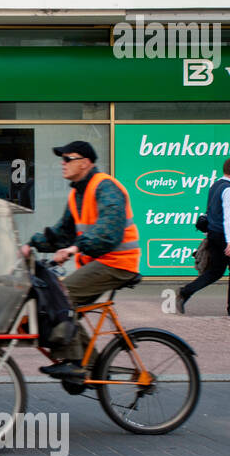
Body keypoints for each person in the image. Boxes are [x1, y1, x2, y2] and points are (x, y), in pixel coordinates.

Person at [19, 141, 141, 384]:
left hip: (118, 263)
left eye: (67, 159)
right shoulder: (77, 193)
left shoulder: (106, 188)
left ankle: (76, 365)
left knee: (62, 295)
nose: (62, 164)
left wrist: (75, 248)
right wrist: (30, 244)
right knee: (51, 298)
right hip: (99, 264)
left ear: (85, 162)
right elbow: (62, 233)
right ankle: (91, 366)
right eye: (61, 159)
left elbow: (108, 231)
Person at [177, 157, 230, 316]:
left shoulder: (215, 186)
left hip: (213, 233)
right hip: (223, 235)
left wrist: (209, 233)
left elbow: (209, 212)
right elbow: (228, 217)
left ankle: (185, 292)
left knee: (215, 271)